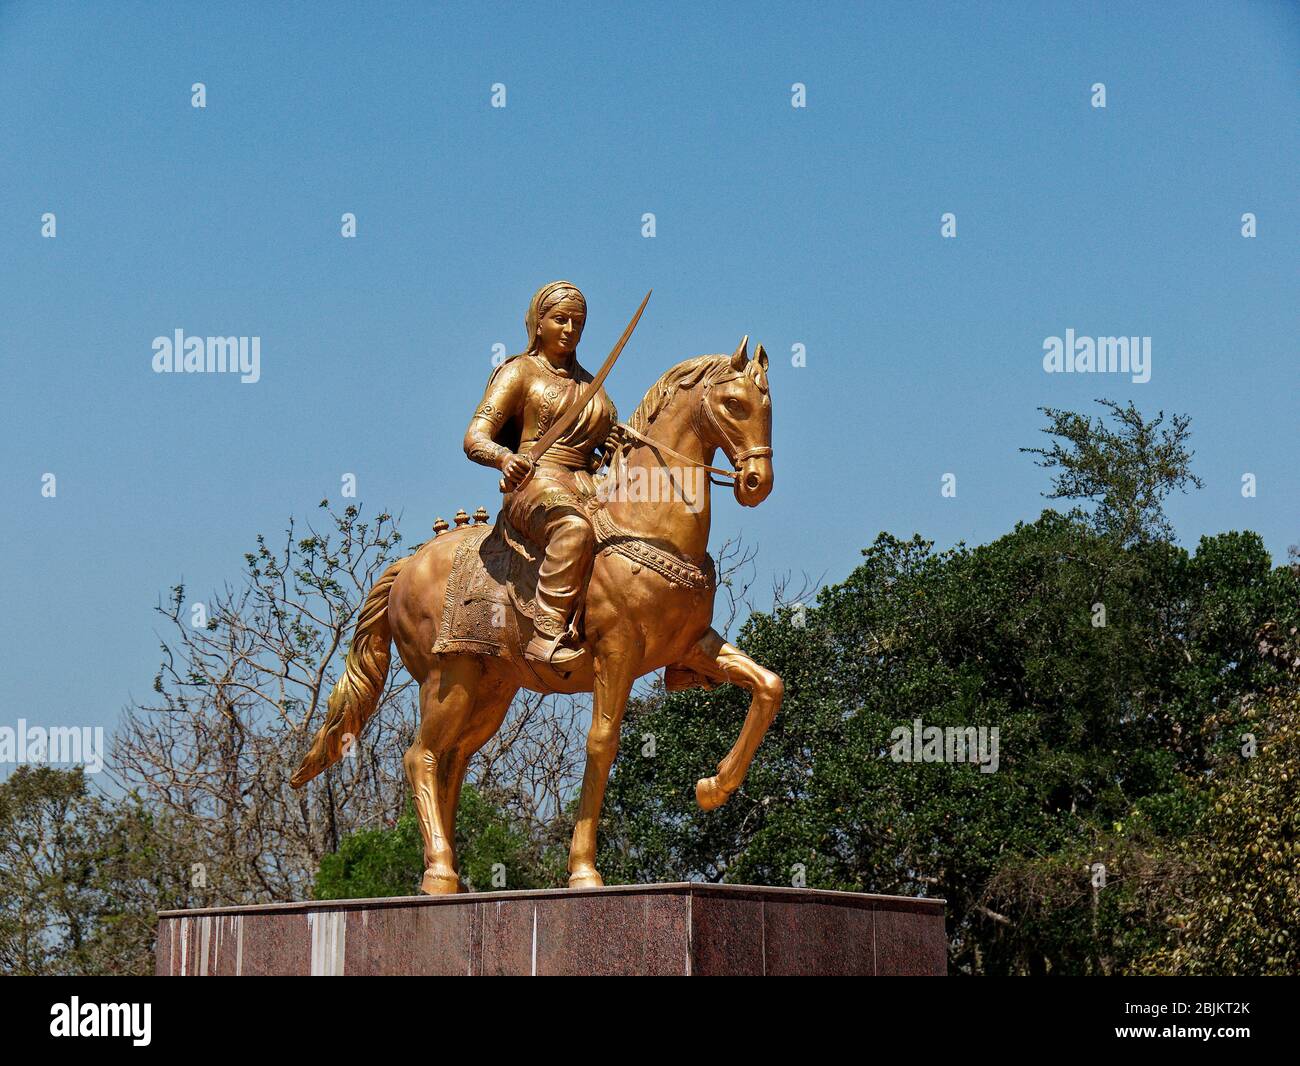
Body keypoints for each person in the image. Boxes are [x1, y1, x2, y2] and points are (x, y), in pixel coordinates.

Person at [463, 281, 618, 666]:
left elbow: (600, 448)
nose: (569, 330)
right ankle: (547, 631)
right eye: (560, 320)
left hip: (588, 484)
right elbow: (474, 436)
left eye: (577, 324)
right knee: (574, 530)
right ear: (538, 323)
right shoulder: (520, 371)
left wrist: (611, 450)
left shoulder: (592, 385)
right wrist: (503, 458)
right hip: (536, 483)